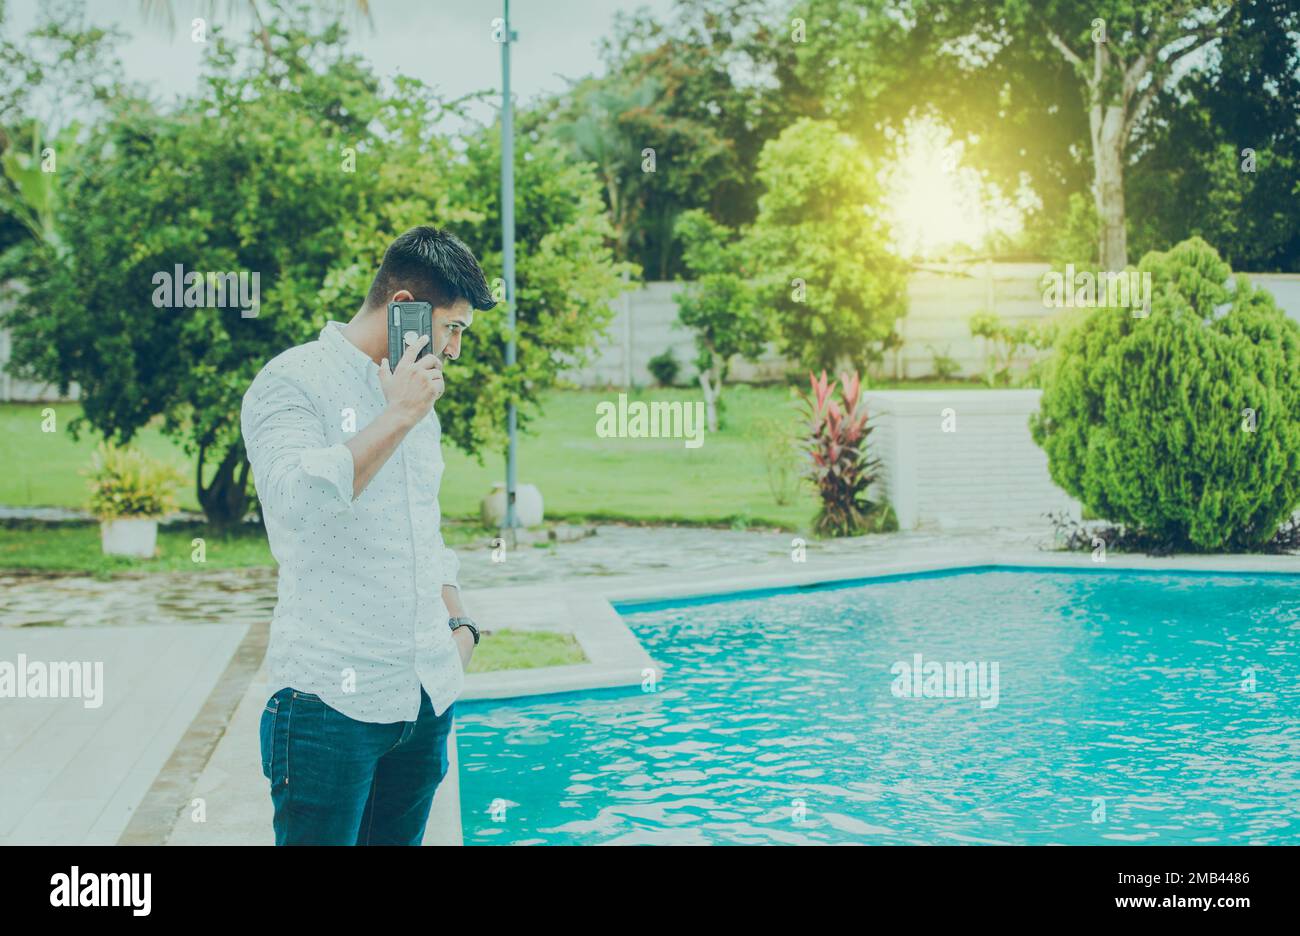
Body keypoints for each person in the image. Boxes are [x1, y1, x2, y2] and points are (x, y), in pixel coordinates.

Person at [240, 225, 496, 845]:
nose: (456, 349)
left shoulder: (418, 391)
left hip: (423, 697)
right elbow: (294, 502)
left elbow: (420, 528)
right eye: (452, 327)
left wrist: (459, 627)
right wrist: (399, 415)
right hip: (328, 705)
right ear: (406, 306)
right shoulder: (292, 380)